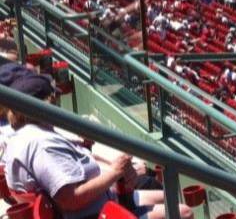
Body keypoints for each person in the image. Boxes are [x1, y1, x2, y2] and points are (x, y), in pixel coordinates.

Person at [1, 68, 193, 219]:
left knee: (169, 195)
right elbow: (72, 199)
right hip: (96, 213)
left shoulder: (21, 136)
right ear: (46, 105)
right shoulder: (41, 144)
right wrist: (115, 171)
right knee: (183, 212)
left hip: (97, 204)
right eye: (54, 98)